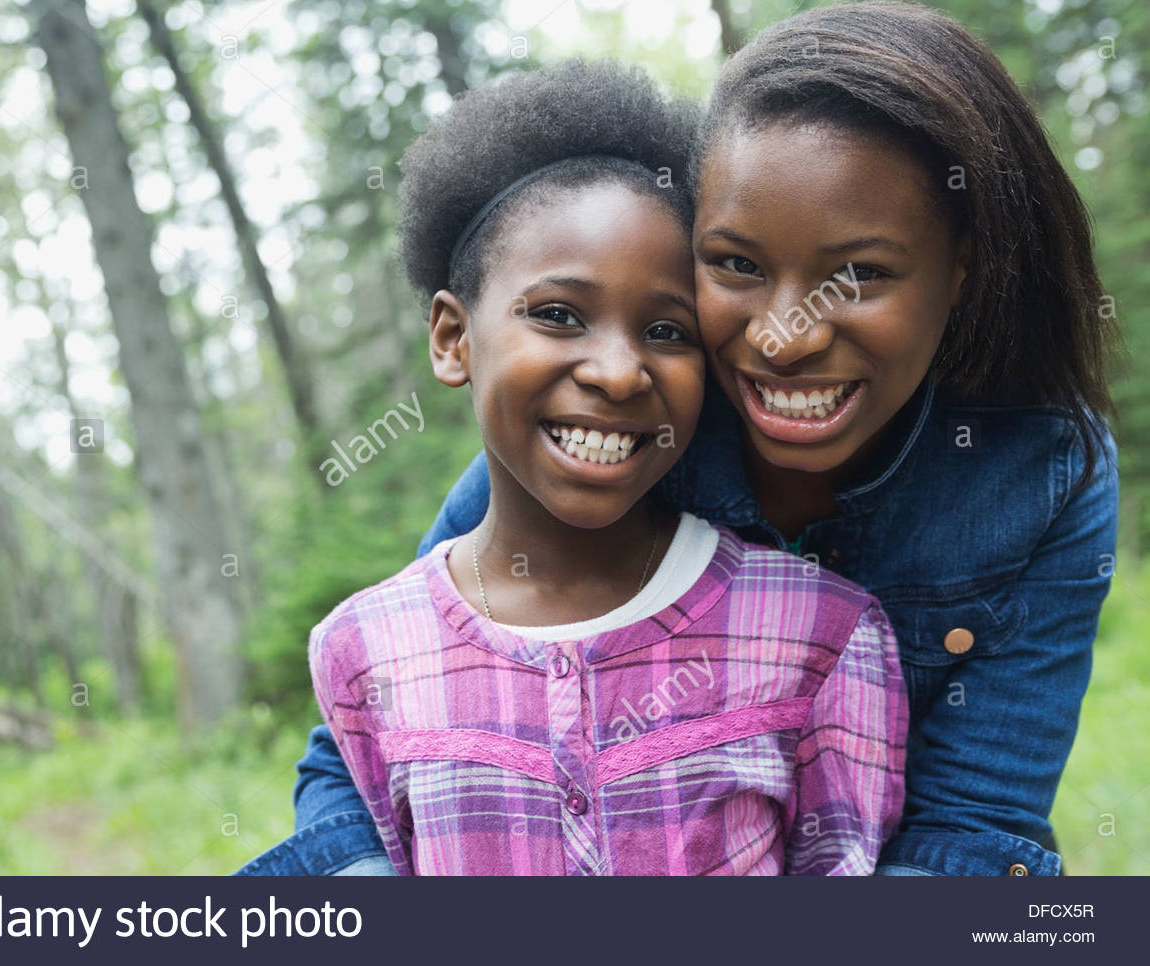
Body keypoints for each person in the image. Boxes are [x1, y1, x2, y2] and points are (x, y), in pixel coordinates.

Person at [240, 1, 1119, 878]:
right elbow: (382, 719)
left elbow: (975, 824)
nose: (784, 337)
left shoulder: (1043, 474)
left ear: (961, 268)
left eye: (857, 275)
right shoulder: (616, 436)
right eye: (735, 263)